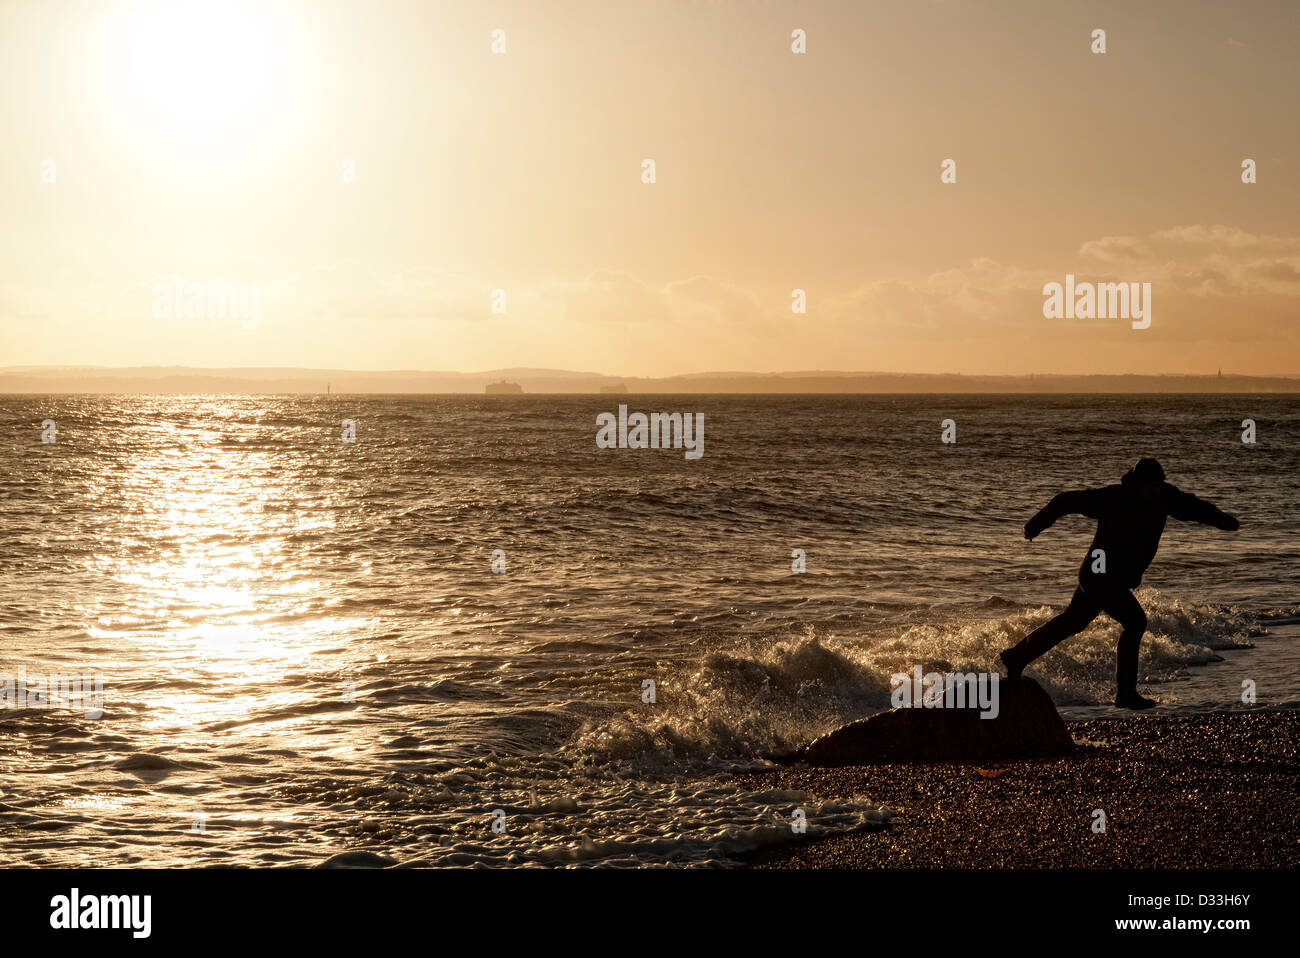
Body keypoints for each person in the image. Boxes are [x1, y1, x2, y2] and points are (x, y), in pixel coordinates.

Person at [999, 458, 1239, 709]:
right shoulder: (1114, 497)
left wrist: (1224, 521)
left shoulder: (1166, 497)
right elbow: (1066, 500)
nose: (1154, 492)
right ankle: (1125, 694)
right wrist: (1037, 524)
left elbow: (1196, 508)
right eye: (1149, 487)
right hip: (1098, 574)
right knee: (1135, 622)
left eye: (1158, 486)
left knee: (1073, 622)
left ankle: (1017, 656)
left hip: (1115, 579)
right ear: (1136, 484)